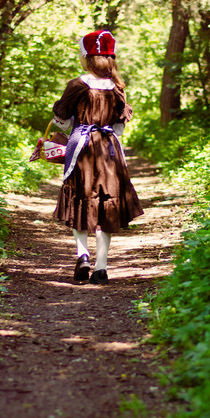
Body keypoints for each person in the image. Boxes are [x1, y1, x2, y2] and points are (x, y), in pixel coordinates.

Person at [51, 30, 144, 284]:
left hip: (81, 148)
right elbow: (119, 128)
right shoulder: (117, 87)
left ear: (88, 57)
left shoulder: (78, 84)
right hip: (109, 151)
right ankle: (101, 268)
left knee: (79, 199)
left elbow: (60, 121)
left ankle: (82, 255)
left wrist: (70, 124)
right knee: (107, 203)